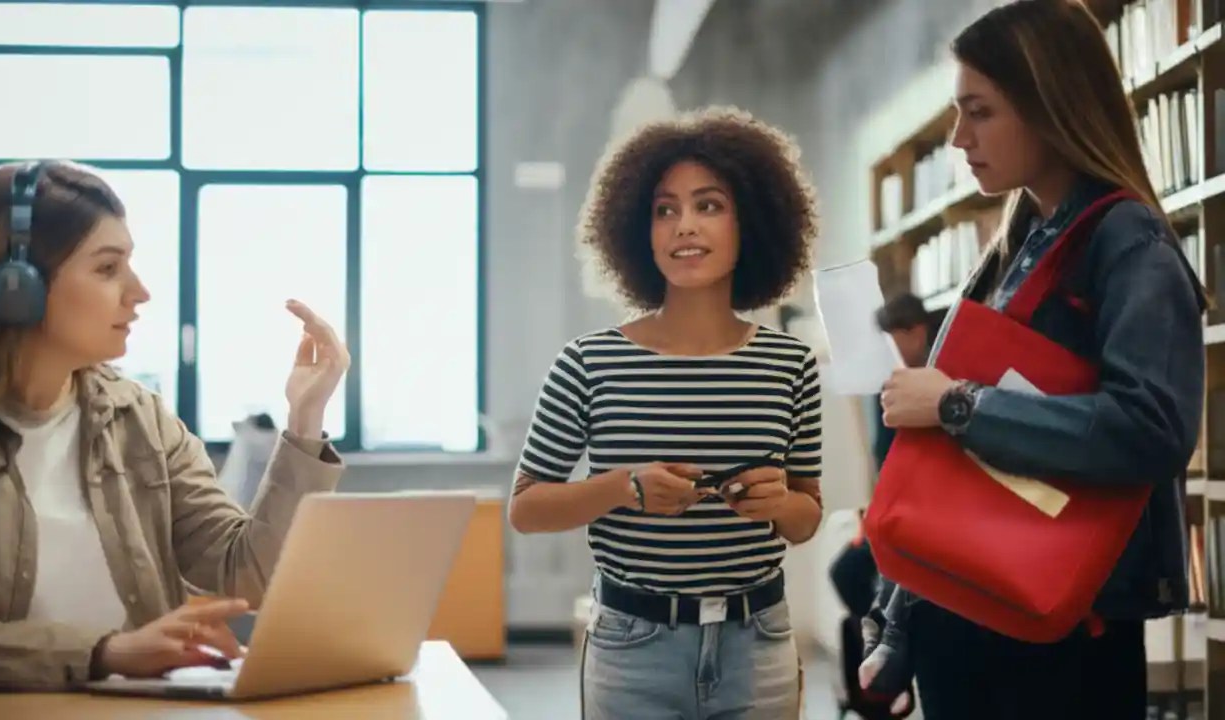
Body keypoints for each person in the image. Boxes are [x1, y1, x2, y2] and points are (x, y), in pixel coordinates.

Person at [865, 2, 1206, 718]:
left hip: (1057, 627)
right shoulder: (1014, 245)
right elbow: (953, 472)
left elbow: (1152, 428)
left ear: (1050, 105)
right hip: (973, 608)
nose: (959, 139)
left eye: (980, 112)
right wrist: (897, 624)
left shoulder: (1125, 241)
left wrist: (958, 405)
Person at [0, 161, 351, 691]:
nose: (139, 292)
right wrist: (107, 653)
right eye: (108, 269)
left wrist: (305, 419)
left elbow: (247, 572)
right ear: (16, 287)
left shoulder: (142, 419)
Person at [507, 107, 824, 719]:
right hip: (632, 648)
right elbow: (526, 507)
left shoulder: (791, 365)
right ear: (637, 228)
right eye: (664, 209)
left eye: (709, 205)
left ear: (750, 222)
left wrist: (777, 503)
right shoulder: (587, 362)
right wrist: (624, 488)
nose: (684, 226)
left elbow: (806, 516)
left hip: (758, 644)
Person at [871, 292, 933, 469]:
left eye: (891, 342)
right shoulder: (888, 385)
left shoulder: (944, 378)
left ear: (917, 334)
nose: (885, 351)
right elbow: (883, 450)